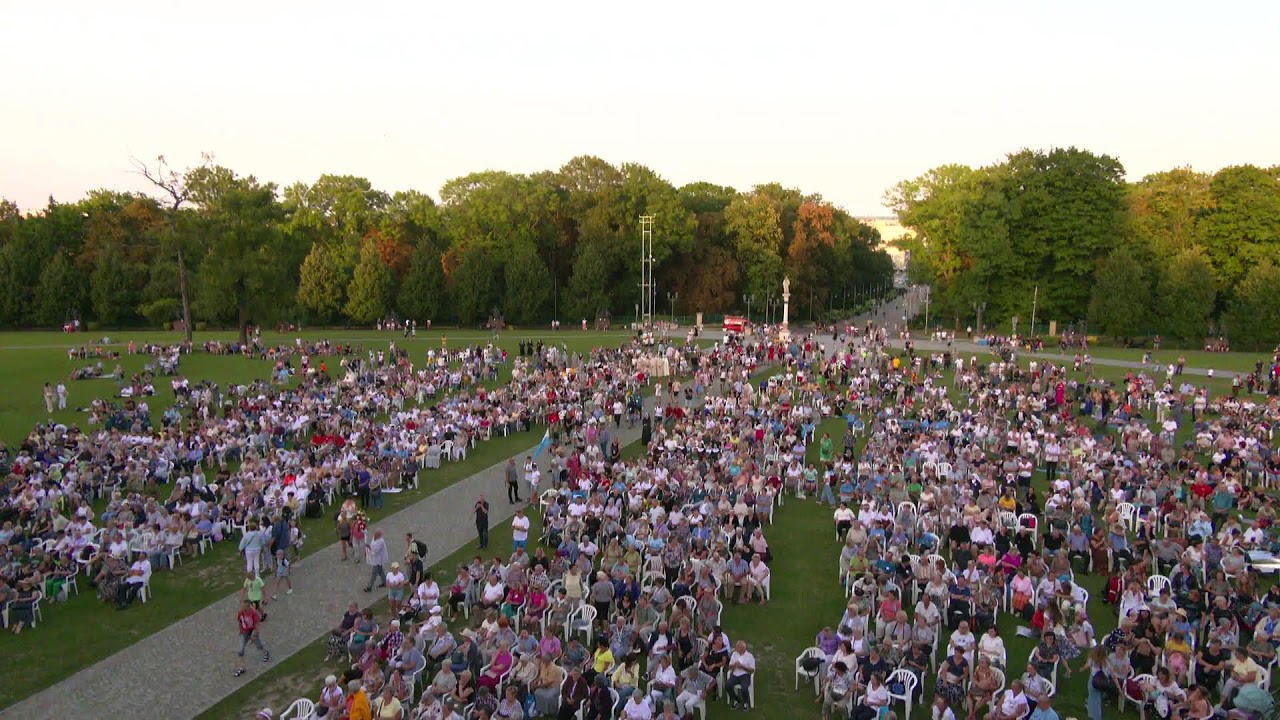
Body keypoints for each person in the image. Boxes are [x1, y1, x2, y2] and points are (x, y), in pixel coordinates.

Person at [234, 599, 269, 677]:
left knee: (258, 646)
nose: (242, 607)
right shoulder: (240, 613)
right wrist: (241, 631)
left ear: (248, 606)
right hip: (244, 632)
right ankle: (242, 668)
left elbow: (257, 624)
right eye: (242, 606)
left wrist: (254, 635)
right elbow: (240, 622)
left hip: (252, 631)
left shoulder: (253, 613)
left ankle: (265, 652)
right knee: (240, 650)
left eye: (244, 606)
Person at [726, 640, 755, 709]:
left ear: (743, 648)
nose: (736, 649)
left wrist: (743, 667)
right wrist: (734, 665)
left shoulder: (749, 656)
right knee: (728, 685)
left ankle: (746, 702)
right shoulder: (734, 654)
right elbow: (729, 666)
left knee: (744, 689)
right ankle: (736, 700)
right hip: (735, 674)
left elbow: (752, 670)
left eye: (737, 648)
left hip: (745, 675)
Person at [365, 529, 388, 593]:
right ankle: (385, 582)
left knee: (374, 573)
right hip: (375, 559)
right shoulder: (374, 538)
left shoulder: (380, 541)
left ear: (378, 535)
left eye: (375, 534)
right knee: (380, 571)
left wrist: (369, 547)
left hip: (378, 560)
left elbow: (376, 551)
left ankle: (369, 587)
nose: (374, 534)